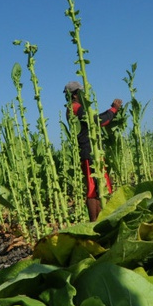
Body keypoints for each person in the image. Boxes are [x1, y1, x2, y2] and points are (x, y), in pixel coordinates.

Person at [64, 81, 122, 222]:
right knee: (92, 189)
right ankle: (94, 222)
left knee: (98, 188)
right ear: (76, 95)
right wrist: (113, 109)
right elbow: (97, 121)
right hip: (88, 152)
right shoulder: (75, 108)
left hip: (92, 152)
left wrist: (111, 112)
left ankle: (100, 219)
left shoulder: (76, 108)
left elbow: (96, 120)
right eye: (82, 92)